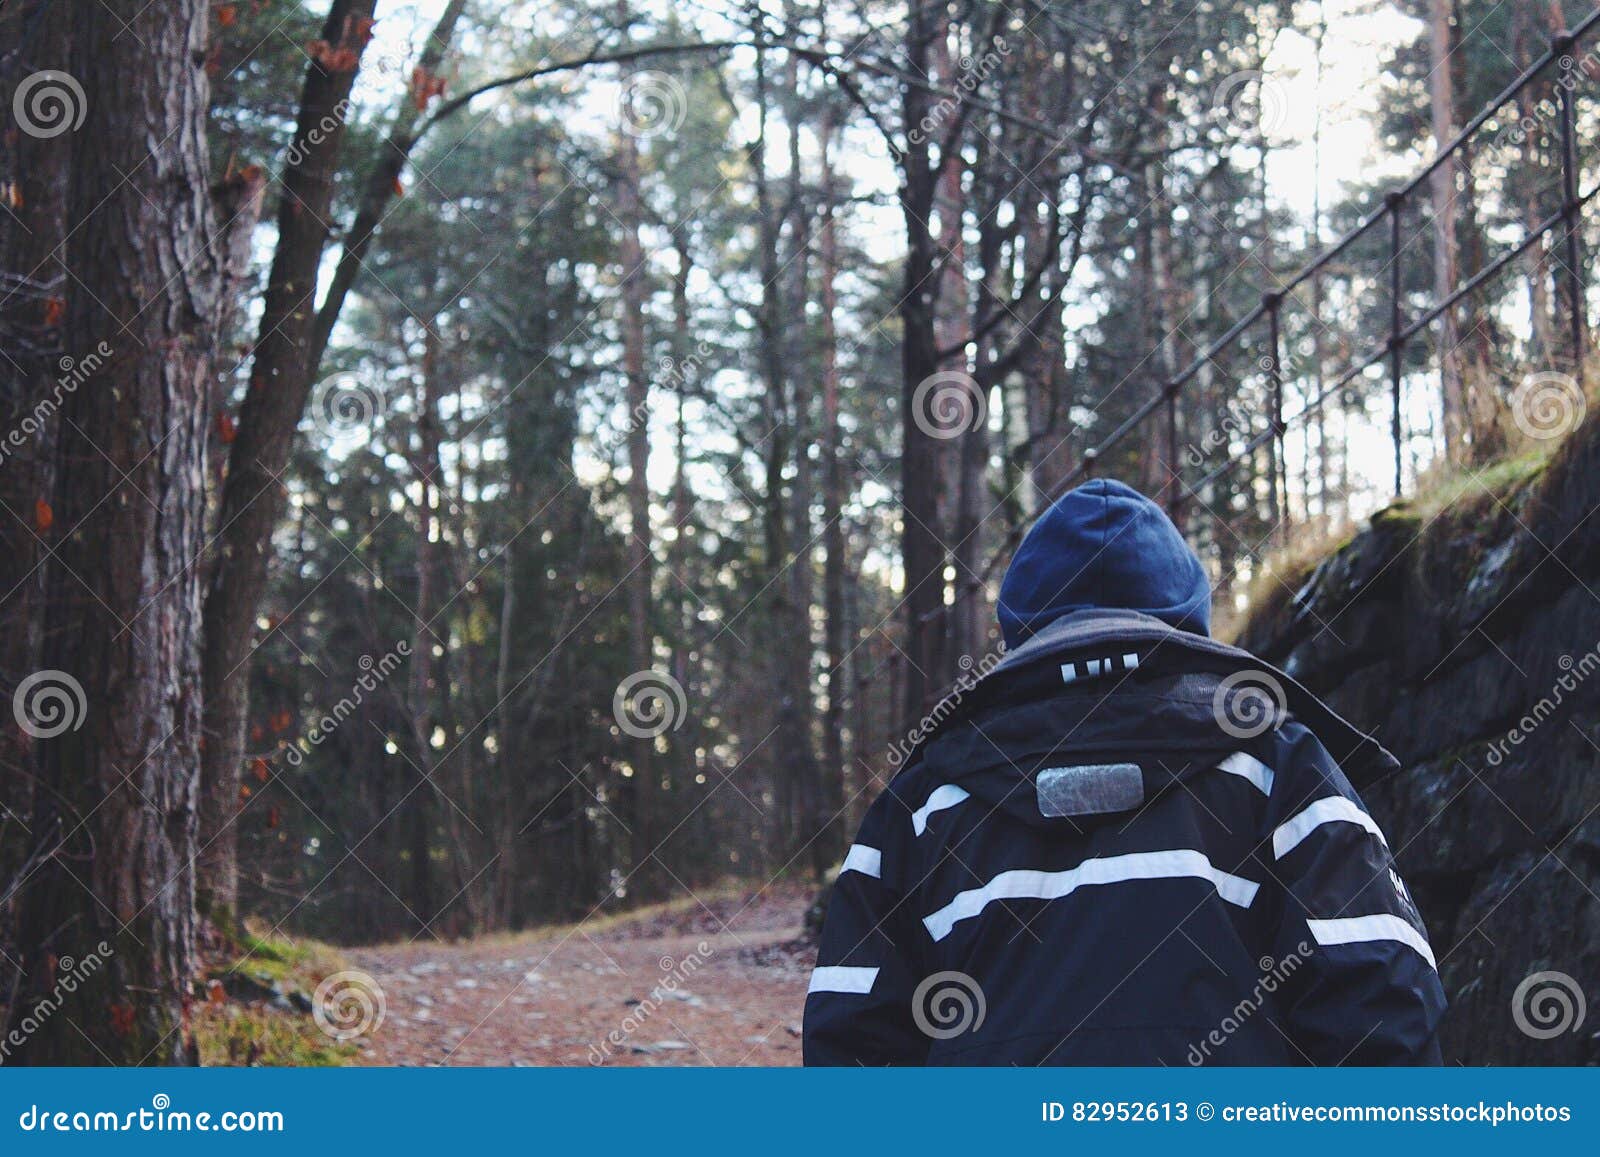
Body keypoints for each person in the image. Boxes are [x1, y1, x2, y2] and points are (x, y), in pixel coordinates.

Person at [803, 479, 1446, 1065]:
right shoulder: (1279, 766)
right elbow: (1383, 1002)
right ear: (1188, 620)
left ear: (1022, 628)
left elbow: (853, 1047)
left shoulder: (921, 804)